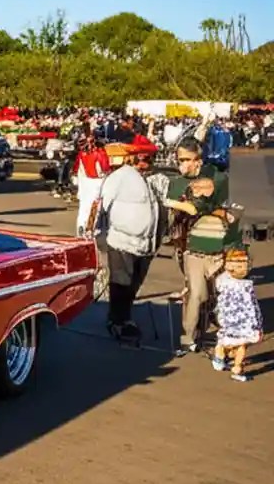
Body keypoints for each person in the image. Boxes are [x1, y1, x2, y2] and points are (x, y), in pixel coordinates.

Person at [165, 137, 241, 354]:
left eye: (190, 159)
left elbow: (229, 208)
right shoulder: (177, 183)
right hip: (192, 248)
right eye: (181, 159)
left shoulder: (217, 178)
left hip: (220, 247)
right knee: (197, 294)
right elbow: (176, 215)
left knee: (221, 293)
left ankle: (226, 332)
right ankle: (188, 336)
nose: (185, 164)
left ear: (200, 159)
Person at [93, 143, 161, 345]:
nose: (143, 163)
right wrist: (96, 233)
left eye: (147, 159)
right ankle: (118, 321)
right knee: (121, 282)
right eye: (139, 159)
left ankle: (125, 315)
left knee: (133, 283)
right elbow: (101, 205)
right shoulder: (120, 176)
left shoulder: (151, 178)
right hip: (122, 240)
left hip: (146, 243)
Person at [211, 249, 261, 382]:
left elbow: (221, 301)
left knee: (233, 343)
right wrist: (258, 324)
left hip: (229, 321)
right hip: (244, 324)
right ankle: (235, 367)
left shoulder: (222, 281)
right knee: (241, 345)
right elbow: (253, 307)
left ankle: (223, 357)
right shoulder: (247, 285)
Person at [74, 127, 111, 236]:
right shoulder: (100, 153)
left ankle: (80, 229)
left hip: (85, 183)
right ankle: (90, 231)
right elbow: (105, 169)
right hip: (97, 183)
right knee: (95, 208)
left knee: (83, 209)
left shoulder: (81, 154)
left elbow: (77, 169)